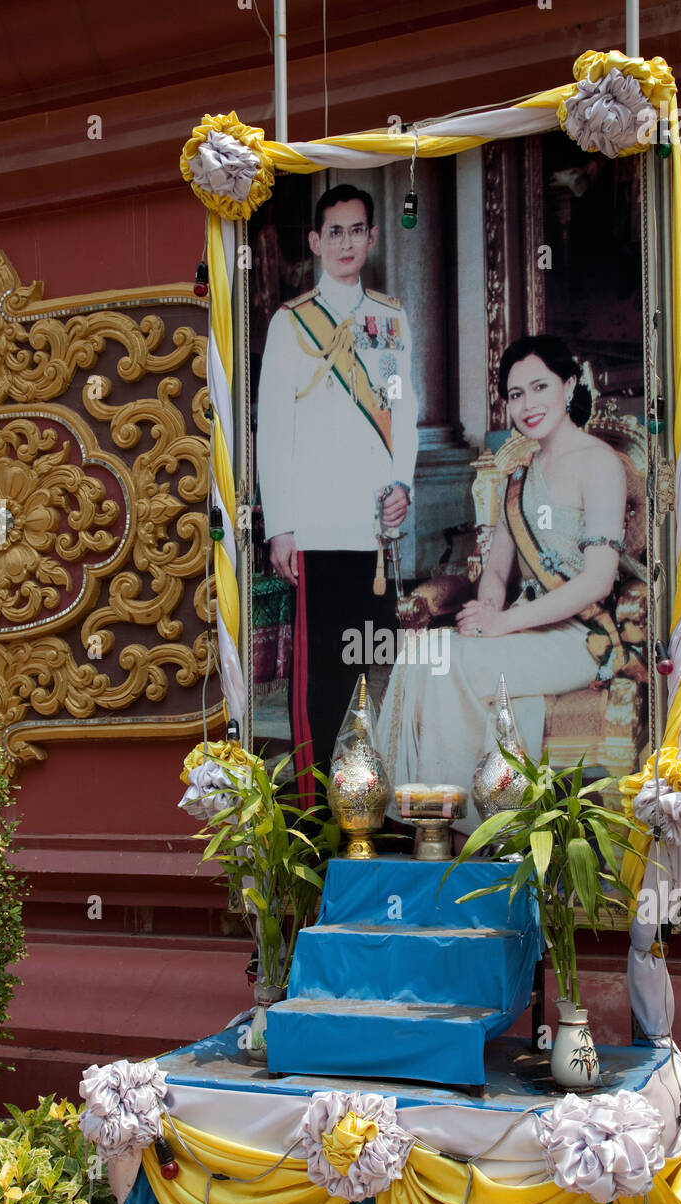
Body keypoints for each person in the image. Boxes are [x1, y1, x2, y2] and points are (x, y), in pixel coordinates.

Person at [376, 334, 629, 833]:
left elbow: (598, 582)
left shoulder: (601, 465)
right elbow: (496, 568)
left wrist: (505, 622)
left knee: (445, 665)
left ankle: (457, 829)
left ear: (569, 385)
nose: (528, 404)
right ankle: (447, 820)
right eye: (516, 394)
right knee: (427, 655)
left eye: (540, 387)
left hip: (583, 638)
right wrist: (487, 606)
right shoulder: (519, 474)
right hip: (525, 629)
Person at [256, 184, 418, 797]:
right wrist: (282, 525)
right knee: (321, 680)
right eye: (336, 232)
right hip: (316, 530)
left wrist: (402, 484)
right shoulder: (289, 324)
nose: (346, 242)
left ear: (372, 239)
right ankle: (312, 813)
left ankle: (370, 805)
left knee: (373, 670)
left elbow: (402, 412)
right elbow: (274, 429)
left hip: (373, 533)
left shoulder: (391, 319)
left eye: (358, 231)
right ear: (316, 241)